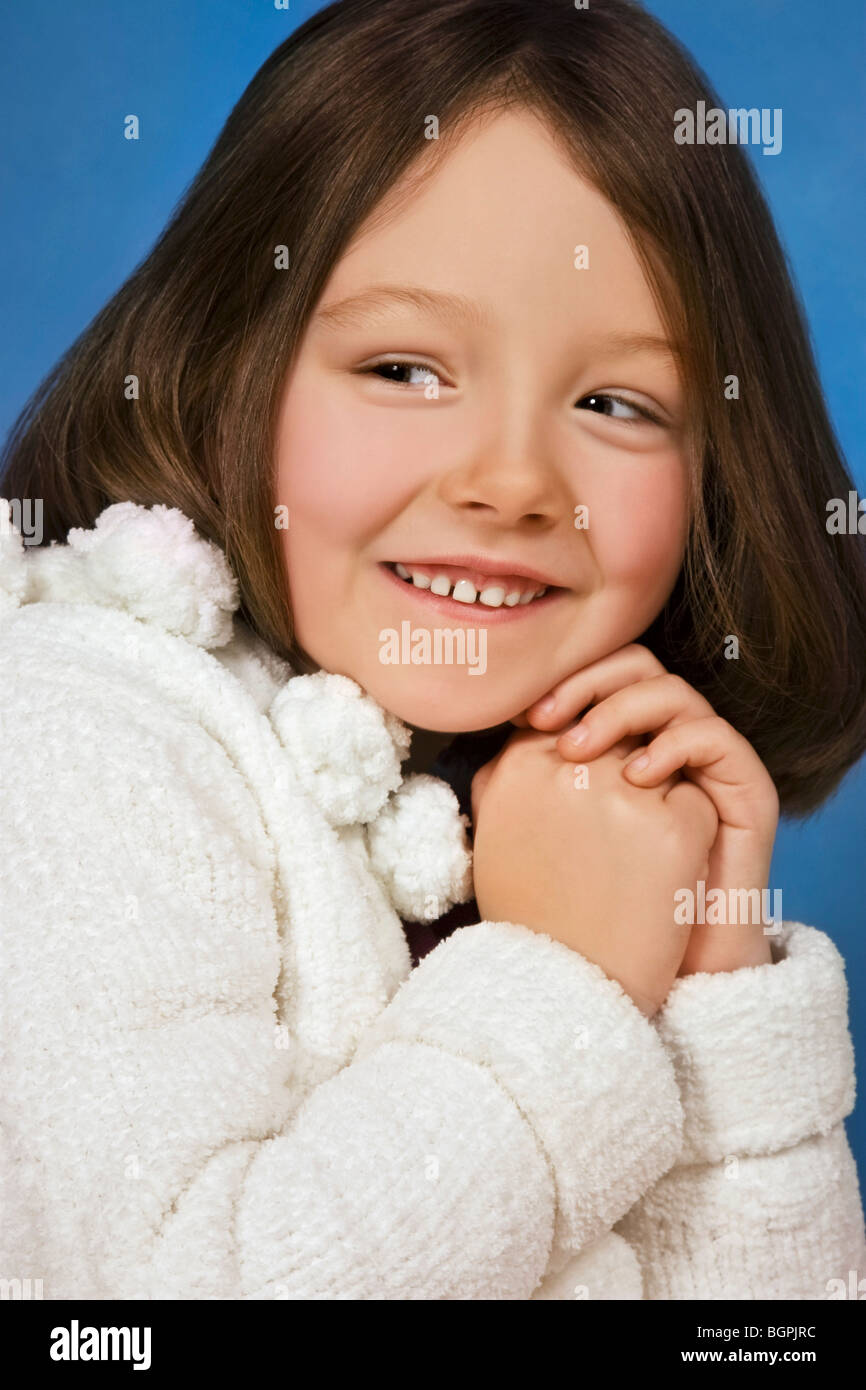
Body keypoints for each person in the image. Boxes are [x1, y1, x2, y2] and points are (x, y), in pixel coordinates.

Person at [1, 0, 865, 1300]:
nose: (513, 479)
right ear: (229, 362)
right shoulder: (81, 725)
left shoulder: (563, 803)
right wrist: (563, 974)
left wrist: (710, 977)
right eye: (403, 369)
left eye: (615, 403)